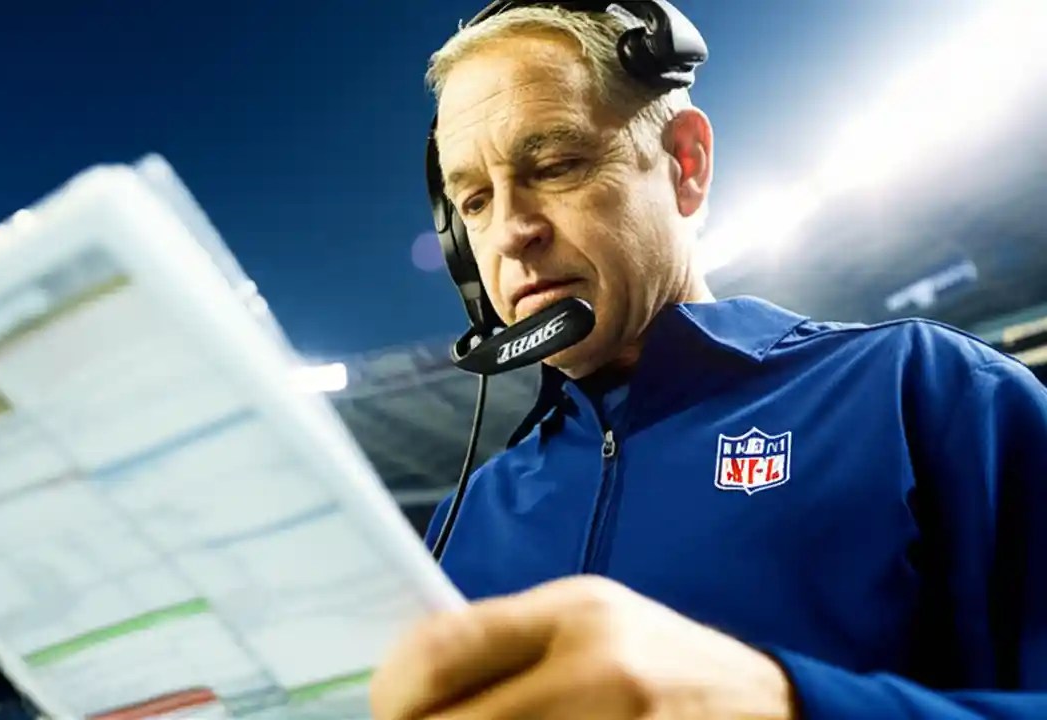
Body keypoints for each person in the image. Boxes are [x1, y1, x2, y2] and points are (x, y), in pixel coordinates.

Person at [368, 3, 1047, 719]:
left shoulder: (923, 392)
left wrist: (785, 705)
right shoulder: (464, 520)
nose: (510, 231)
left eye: (557, 165)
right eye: (473, 201)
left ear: (685, 165)